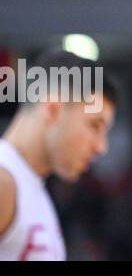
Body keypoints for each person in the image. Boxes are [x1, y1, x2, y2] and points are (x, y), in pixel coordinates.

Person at [0, 50, 119, 260]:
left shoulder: (32, 187)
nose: (101, 147)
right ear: (53, 110)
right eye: (94, 126)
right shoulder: (4, 181)